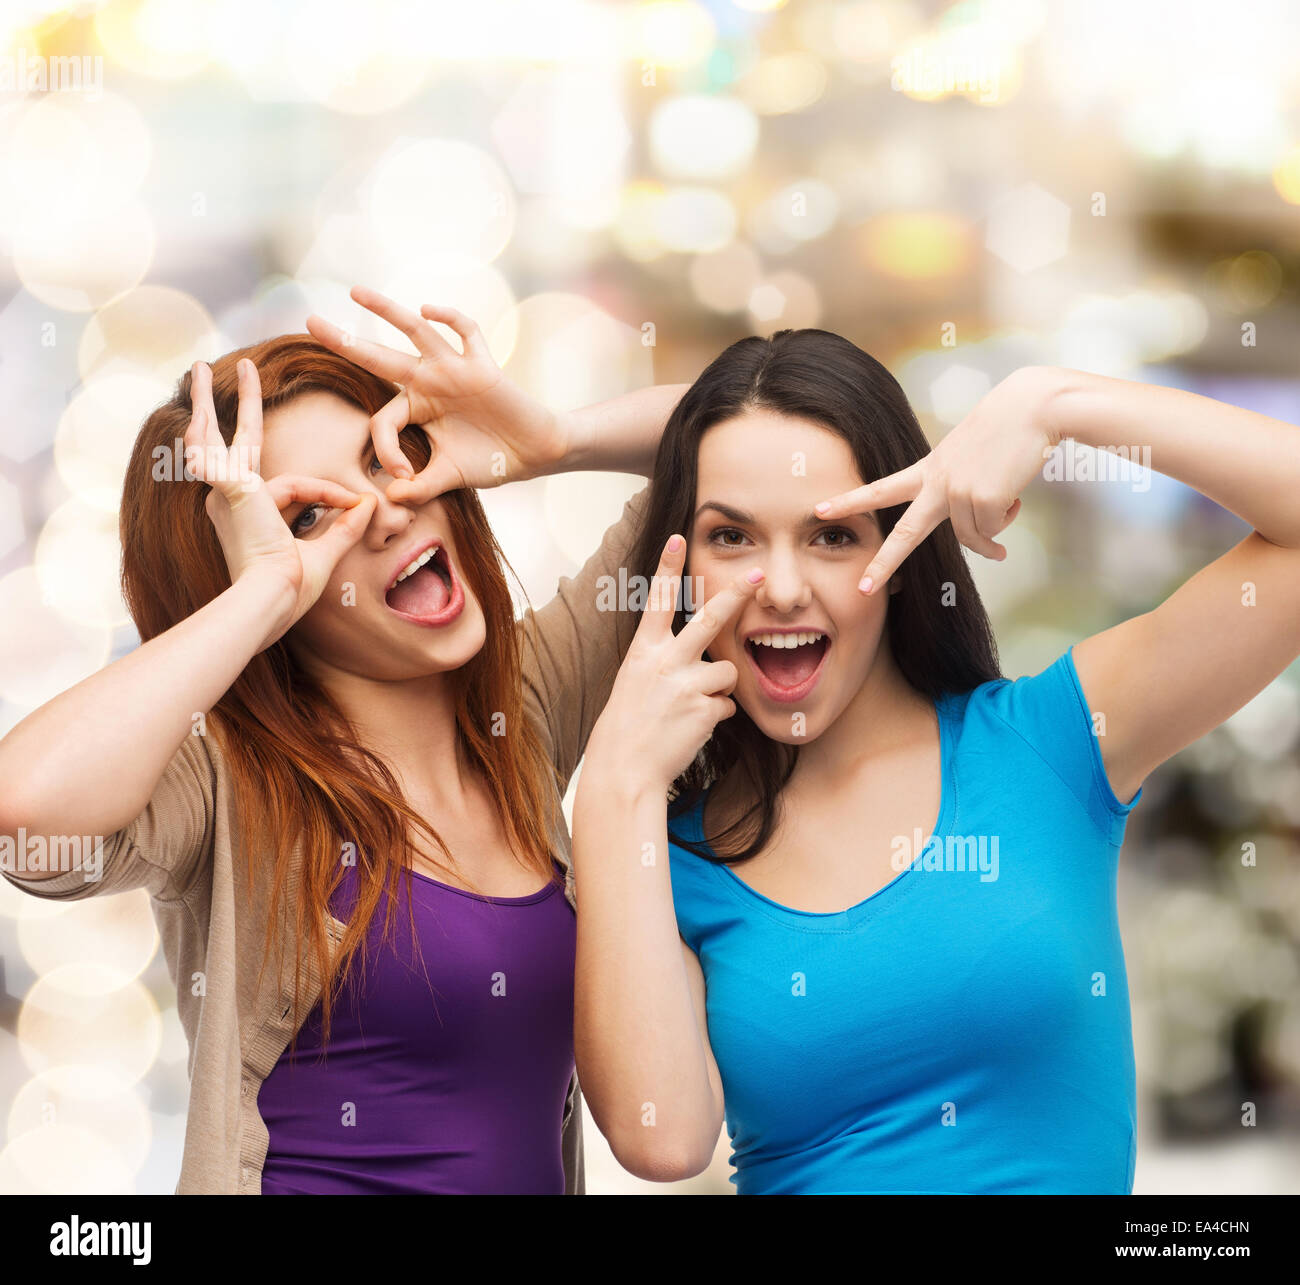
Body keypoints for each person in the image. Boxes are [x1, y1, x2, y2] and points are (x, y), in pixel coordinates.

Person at [570, 328, 1300, 1194]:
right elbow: (661, 1140)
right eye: (732, 538)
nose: (782, 585)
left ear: (907, 550)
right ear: (681, 571)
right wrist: (616, 780)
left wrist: (1054, 403)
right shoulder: (665, 854)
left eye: (832, 536)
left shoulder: (1052, 742)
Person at [0, 286, 685, 1194]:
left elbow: (752, 432)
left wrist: (550, 440)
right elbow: (25, 811)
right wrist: (262, 594)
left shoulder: (522, 706)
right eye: (308, 518)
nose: (385, 513)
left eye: (384, 458)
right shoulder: (228, 780)